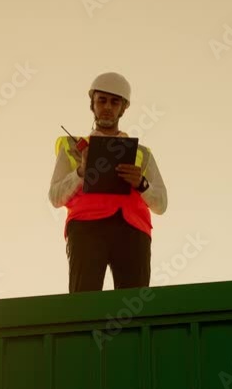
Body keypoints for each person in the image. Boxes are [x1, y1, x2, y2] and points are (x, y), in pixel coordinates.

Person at [48, 72, 168, 293]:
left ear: (123, 108)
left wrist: (140, 183)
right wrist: (81, 171)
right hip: (86, 229)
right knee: (84, 300)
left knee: (133, 305)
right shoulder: (72, 147)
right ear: (92, 104)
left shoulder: (142, 153)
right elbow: (55, 197)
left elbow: (161, 203)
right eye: (101, 100)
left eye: (115, 102)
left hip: (133, 231)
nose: (107, 107)